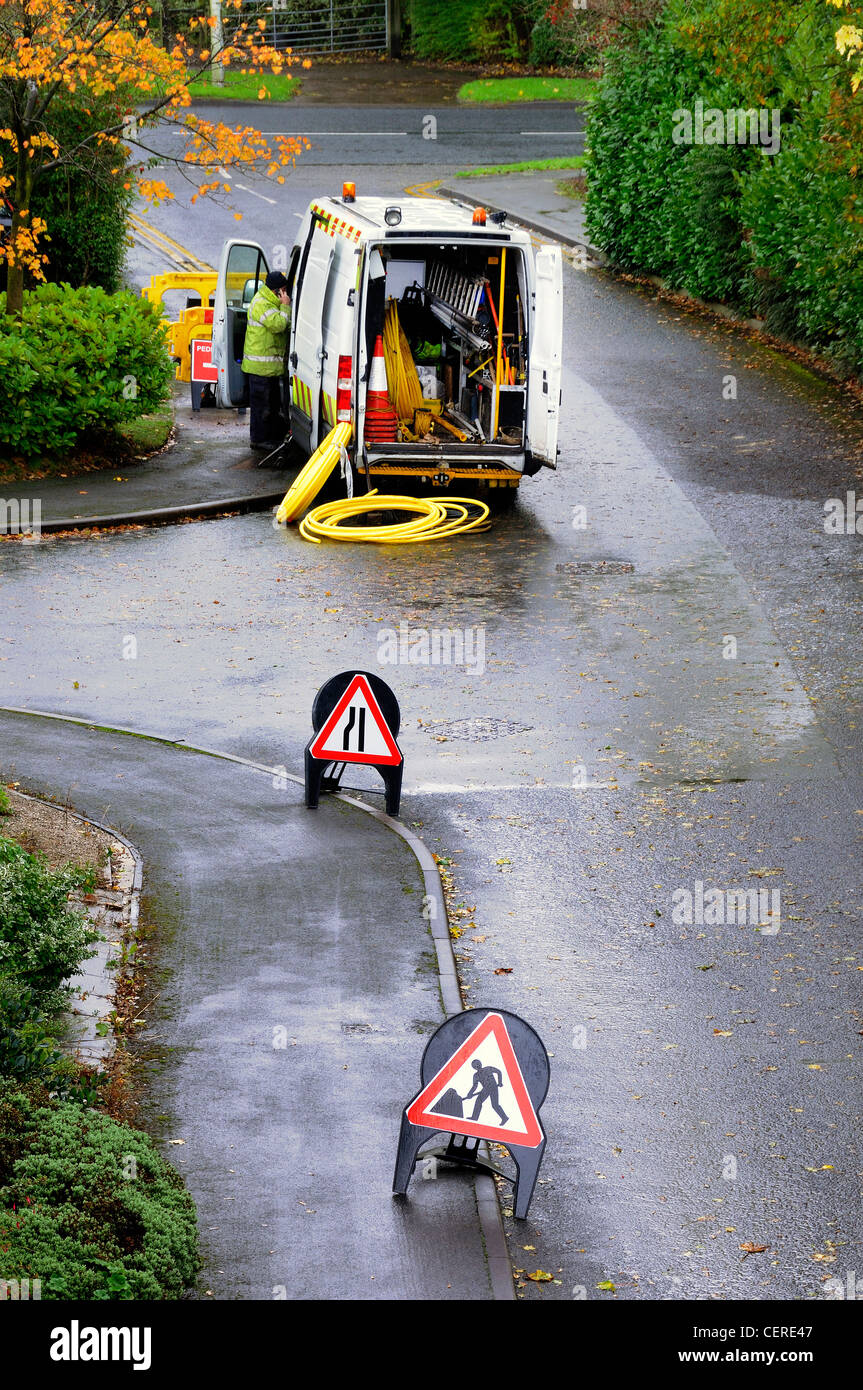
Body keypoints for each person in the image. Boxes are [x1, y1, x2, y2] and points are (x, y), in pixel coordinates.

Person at [241, 271, 291, 452]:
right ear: (277, 291)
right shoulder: (262, 304)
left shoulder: (269, 301)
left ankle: (271, 437)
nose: (286, 295)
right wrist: (286, 307)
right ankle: (259, 440)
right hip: (259, 368)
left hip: (269, 368)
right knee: (261, 407)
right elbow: (278, 324)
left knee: (271, 406)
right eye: (284, 291)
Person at [463, 1058, 508, 1125]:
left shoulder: (488, 1068)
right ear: (474, 1068)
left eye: (478, 1064)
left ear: (480, 1063)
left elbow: (498, 1071)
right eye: (475, 1066)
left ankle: (504, 1118)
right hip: (486, 1089)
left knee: (495, 1105)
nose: (477, 1066)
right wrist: (470, 1094)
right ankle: (474, 1117)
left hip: (493, 1087)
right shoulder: (476, 1075)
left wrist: (500, 1082)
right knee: (479, 1101)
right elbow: (474, 1086)